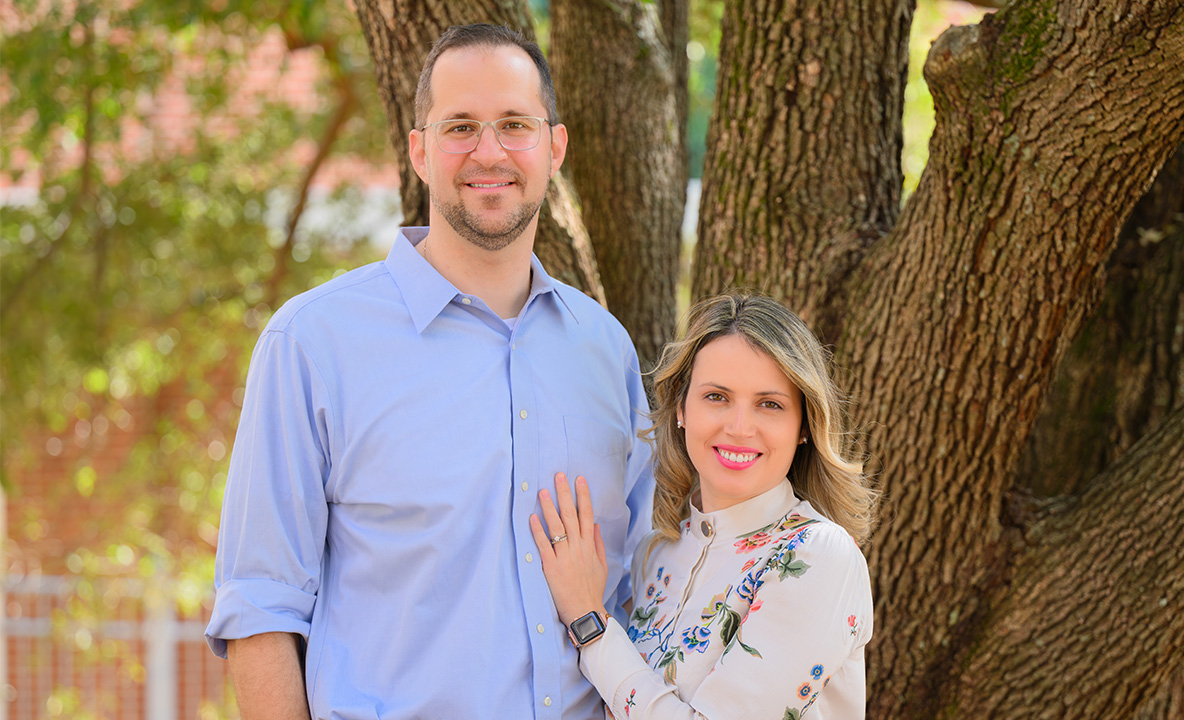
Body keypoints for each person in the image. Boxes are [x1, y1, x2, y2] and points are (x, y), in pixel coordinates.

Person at [205, 23, 654, 720]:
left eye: (514, 125)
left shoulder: (604, 350)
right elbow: (261, 609)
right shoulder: (313, 343)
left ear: (554, 146)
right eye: (460, 127)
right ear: (419, 150)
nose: (489, 152)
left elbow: (646, 589)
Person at [532, 293, 878, 719]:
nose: (738, 427)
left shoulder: (820, 557)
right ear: (681, 408)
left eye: (769, 404)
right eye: (717, 397)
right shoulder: (654, 555)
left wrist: (589, 622)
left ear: (804, 426)